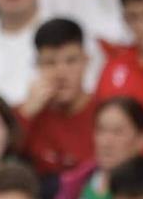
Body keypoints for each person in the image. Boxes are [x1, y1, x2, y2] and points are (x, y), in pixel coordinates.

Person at [19, 16, 96, 184]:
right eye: (50, 63)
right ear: (37, 66)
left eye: (71, 61)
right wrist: (25, 116)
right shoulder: (23, 114)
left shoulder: (105, 114)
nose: (61, 73)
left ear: (86, 62)